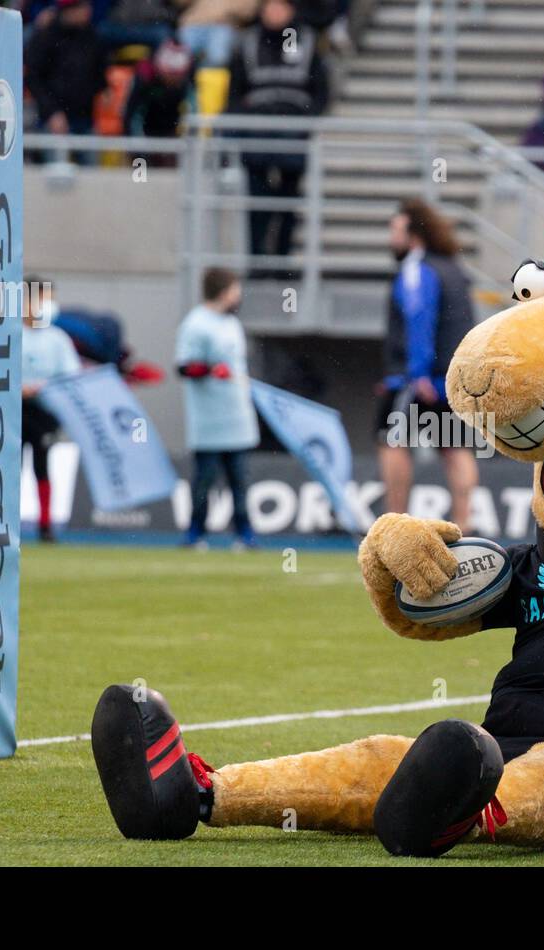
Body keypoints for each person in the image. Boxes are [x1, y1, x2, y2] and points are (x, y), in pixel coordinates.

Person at [376, 200, 477, 531]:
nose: (392, 238)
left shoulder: (417, 269)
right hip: (452, 376)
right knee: (455, 446)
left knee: (392, 441)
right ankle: (465, 523)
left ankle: (395, 523)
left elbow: (419, 319)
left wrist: (417, 374)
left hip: (417, 379)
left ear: (413, 236)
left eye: (395, 231)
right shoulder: (454, 268)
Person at [226, 0, 330, 276]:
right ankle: (257, 263)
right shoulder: (246, 43)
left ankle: (283, 263)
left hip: (292, 136)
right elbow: (234, 94)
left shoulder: (307, 42)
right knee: (257, 204)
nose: (275, 12)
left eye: (280, 6)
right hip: (256, 136)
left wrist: (305, 123)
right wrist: (244, 125)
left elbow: (321, 92)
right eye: (270, 6)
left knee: (288, 204)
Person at [176, 268, 260, 549]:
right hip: (209, 420)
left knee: (240, 480)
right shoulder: (196, 323)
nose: (238, 296)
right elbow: (185, 366)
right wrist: (211, 369)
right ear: (223, 291)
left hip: (237, 416)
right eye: (235, 289)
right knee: (205, 480)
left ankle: (244, 533)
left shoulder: (231, 323)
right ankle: (196, 532)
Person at [22, 278, 82, 543]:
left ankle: (45, 526)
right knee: (6, 468)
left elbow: (70, 376)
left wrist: (45, 386)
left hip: (43, 411)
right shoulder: (6, 334)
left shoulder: (57, 339)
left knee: (42, 465)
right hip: (10, 411)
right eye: (40, 298)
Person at [24, 0, 108, 139]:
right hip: (53, 118)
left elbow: (99, 69)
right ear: (69, 10)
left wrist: (103, 87)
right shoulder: (46, 36)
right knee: (56, 159)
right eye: (82, 6)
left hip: (85, 118)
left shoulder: (91, 35)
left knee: (91, 157)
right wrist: (52, 112)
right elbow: (34, 78)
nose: (88, 11)